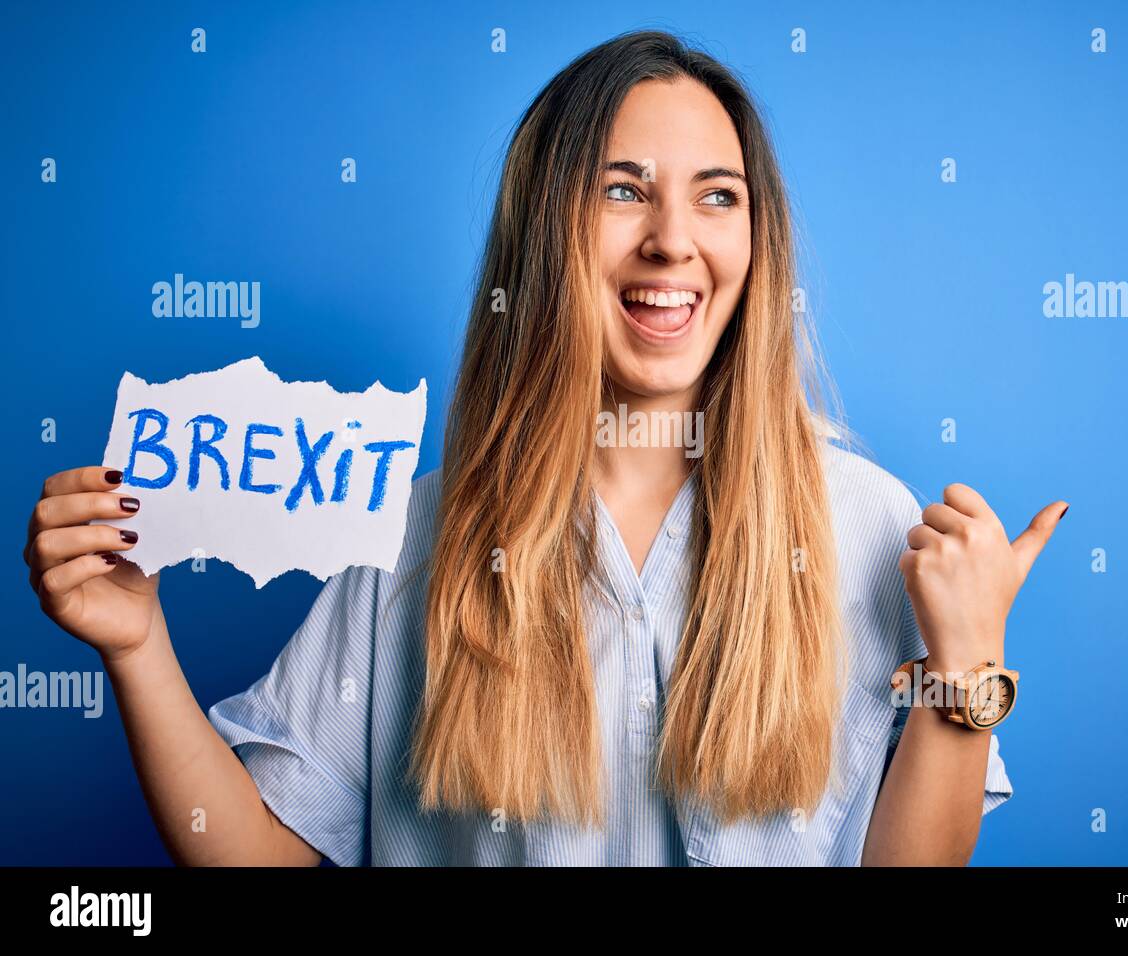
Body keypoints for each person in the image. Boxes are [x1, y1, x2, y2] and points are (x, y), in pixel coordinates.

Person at [22, 29, 1065, 866]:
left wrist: (966, 664)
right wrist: (137, 645)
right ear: (543, 235)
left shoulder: (867, 524)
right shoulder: (407, 540)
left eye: (717, 195)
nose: (673, 239)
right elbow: (260, 851)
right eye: (621, 189)